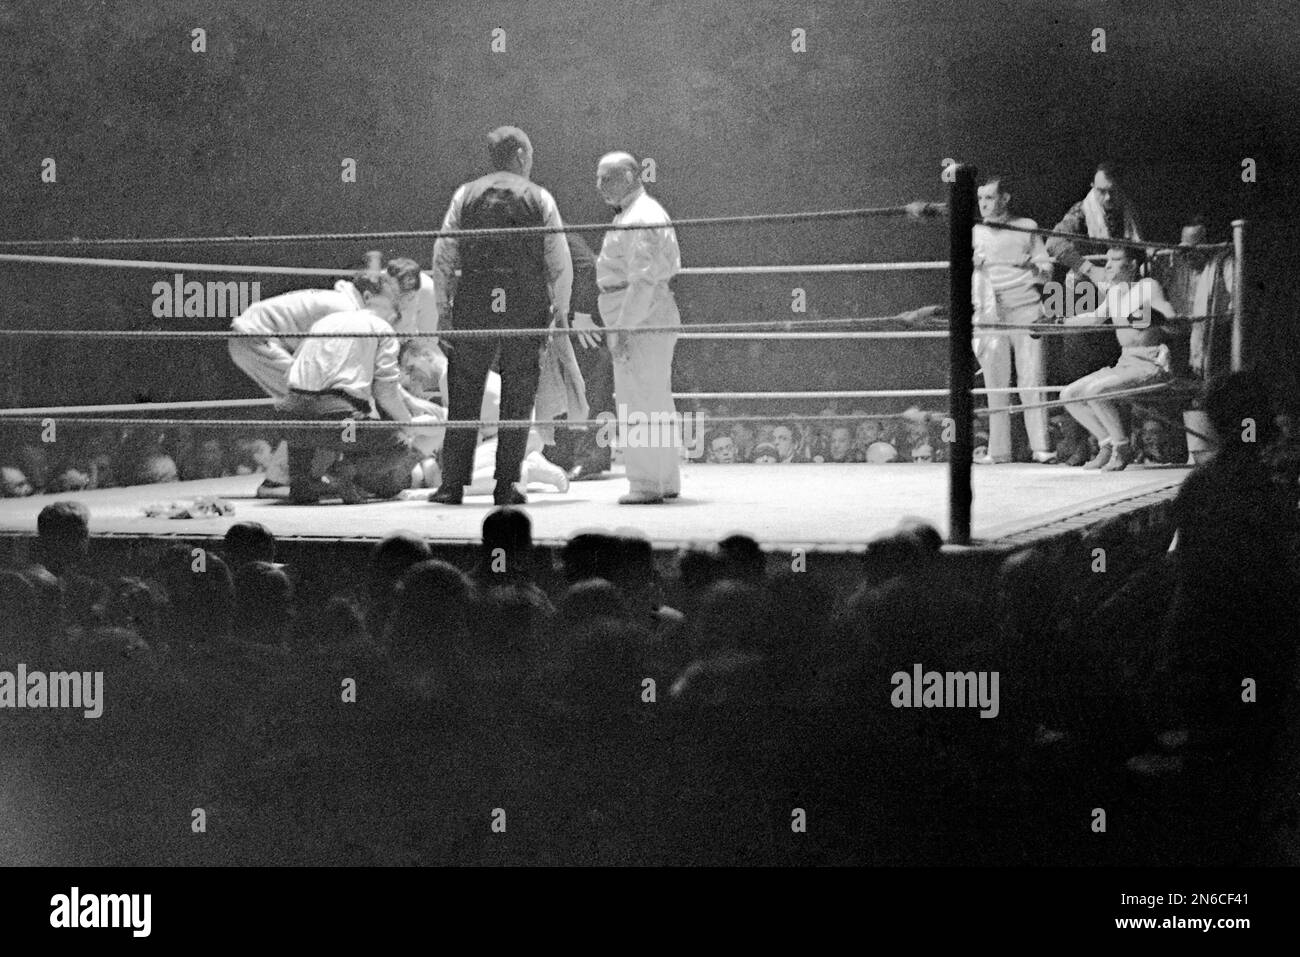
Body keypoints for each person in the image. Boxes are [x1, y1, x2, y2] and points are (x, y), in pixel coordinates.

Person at [429, 126, 573, 507]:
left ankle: (451, 485)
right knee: (518, 392)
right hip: (524, 299)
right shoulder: (539, 196)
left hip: (476, 297)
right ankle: (507, 484)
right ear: (522, 155)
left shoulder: (465, 194)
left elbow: (444, 254)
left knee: (463, 393)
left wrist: (442, 311)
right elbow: (558, 259)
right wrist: (560, 310)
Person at [228, 253, 438, 493]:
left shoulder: (349, 310)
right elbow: (370, 379)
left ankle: (303, 477)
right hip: (257, 338)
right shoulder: (346, 312)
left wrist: (408, 400)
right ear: (371, 296)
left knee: (313, 401)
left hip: (256, 338)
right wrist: (407, 418)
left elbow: (371, 376)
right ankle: (284, 479)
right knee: (315, 399)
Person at [276, 268, 421, 503]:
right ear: (394, 315)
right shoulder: (382, 329)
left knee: (309, 414)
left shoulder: (325, 322)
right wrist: (408, 425)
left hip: (290, 419)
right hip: (340, 425)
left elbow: (290, 374)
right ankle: (346, 472)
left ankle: (302, 483)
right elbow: (385, 393)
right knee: (400, 442)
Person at [595, 150, 682, 504]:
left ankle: (646, 483)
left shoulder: (640, 216)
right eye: (598, 178)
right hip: (646, 313)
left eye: (607, 178)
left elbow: (642, 282)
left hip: (639, 317)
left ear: (630, 177)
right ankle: (663, 478)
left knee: (638, 399)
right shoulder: (638, 213)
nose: (599, 186)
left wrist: (623, 329)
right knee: (655, 397)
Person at [1045, 162, 1142, 464]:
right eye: (1102, 192)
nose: (1108, 199)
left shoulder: (1129, 211)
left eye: (1113, 192)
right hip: (1084, 295)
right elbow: (1054, 242)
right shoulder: (1080, 211)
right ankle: (1082, 445)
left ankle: (1119, 444)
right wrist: (1089, 268)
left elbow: (1141, 251)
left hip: (1122, 297)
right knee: (1077, 366)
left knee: (1113, 369)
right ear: (1092, 187)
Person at [1058, 246, 1176, 471]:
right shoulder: (1115, 291)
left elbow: (1170, 316)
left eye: (1115, 259)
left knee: (1096, 391)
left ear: (1132, 265)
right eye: (1107, 260)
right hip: (1124, 363)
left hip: (1149, 363)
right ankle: (1107, 444)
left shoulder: (1147, 287)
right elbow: (1094, 319)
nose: (1108, 265)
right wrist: (1058, 322)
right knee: (1068, 394)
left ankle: (1122, 447)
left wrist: (1160, 318)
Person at [972, 174, 1054, 464]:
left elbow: (1046, 266)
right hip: (990, 312)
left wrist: (1032, 269)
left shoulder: (1026, 227)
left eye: (990, 198)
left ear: (1005, 198)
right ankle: (999, 450)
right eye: (981, 198)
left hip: (1026, 308)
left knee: (1031, 377)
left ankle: (1041, 447)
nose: (984, 204)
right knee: (995, 382)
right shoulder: (975, 231)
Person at [551, 232, 616, 481]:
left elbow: (587, 265)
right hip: (564, 327)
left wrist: (582, 312)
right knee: (565, 392)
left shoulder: (558, 233)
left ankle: (592, 458)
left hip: (583, 326)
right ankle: (565, 456)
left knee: (595, 390)